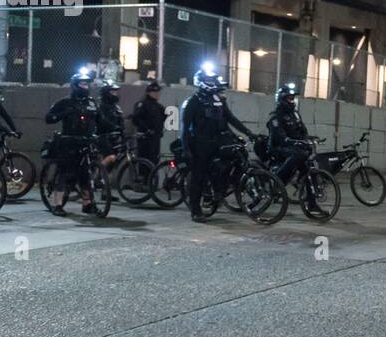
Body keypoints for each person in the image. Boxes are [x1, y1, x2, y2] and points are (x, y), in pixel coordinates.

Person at [181, 68, 258, 222]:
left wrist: (248, 133)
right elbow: (186, 127)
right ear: (202, 83)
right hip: (200, 145)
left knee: (226, 164)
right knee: (199, 177)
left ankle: (219, 192)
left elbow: (231, 119)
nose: (213, 84)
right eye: (210, 81)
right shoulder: (193, 102)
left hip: (217, 143)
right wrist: (186, 149)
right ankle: (196, 210)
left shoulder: (218, 101)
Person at [44, 69, 100, 215]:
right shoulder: (65, 102)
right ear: (75, 85)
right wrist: (64, 114)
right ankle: (57, 205)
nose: (86, 86)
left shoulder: (92, 103)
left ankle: (88, 204)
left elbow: (100, 120)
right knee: (64, 174)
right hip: (69, 143)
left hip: (86, 142)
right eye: (82, 83)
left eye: (87, 84)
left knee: (85, 175)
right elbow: (49, 118)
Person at [267, 82, 312, 186]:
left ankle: (307, 193)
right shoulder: (276, 116)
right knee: (298, 154)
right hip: (278, 147)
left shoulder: (295, 114)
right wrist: (292, 141)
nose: (292, 101)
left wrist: (306, 140)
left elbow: (303, 130)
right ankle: (277, 181)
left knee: (308, 151)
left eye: (293, 98)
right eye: (289, 98)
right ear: (283, 99)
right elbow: (280, 137)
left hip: (293, 146)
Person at [131, 80, 166, 163]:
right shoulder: (142, 104)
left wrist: (159, 130)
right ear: (148, 92)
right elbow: (136, 119)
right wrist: (147, 130)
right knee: (144, 160)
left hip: (155, 138)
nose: (157, 93)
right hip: (145, 138)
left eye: (158, 91)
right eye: (154, 92)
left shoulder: (159, 107)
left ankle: (152, 175)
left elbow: (162, 119)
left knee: (154, 160)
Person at [95, 80, 125, 176]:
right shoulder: (101, 106)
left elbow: (121, 121)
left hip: (114, 137)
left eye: (116, 91)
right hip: (102, 136)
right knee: (110, 156)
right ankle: (95, 175)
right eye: (112, 91)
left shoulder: (116, 107)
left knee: (114, 160)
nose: (115, 94)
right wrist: (115, 127)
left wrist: (121, 129)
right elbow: (102, 121)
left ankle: (103, 181)